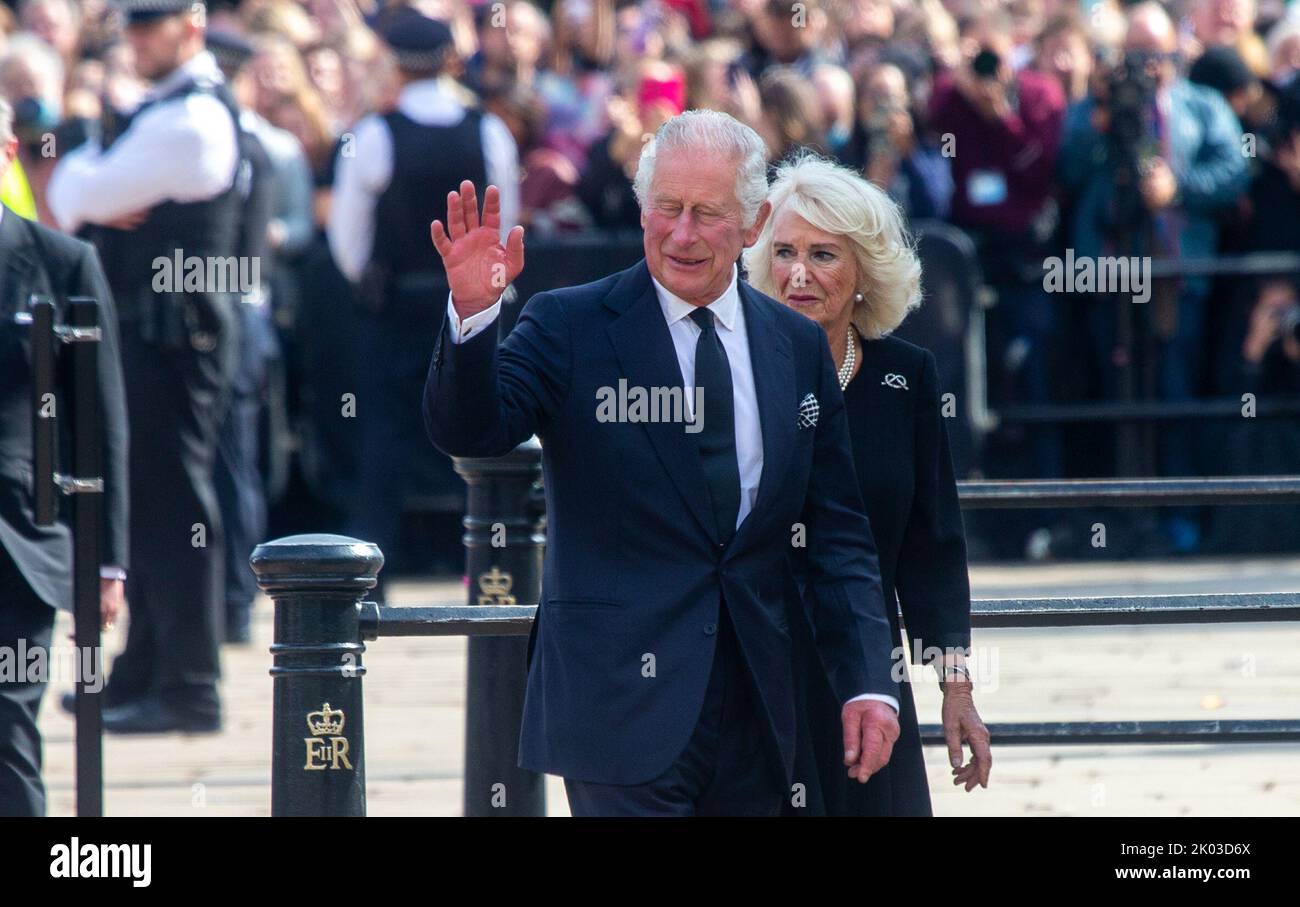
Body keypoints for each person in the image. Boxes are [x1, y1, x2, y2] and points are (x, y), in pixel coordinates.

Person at [424, 108, 902, 817]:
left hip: (759, 712)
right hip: (616, 708)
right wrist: (473, 315)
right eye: (666, 208)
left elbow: (837, 533)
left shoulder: (796, 346)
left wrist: (869, 679)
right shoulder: (569, 324)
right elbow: (473, 428)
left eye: (706, 213)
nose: (681, 233)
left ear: (753, 222)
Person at [743, 152, 990, 815]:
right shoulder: (736, 372)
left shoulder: (905, 378)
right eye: (785, 251)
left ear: (862, 272)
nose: (798, 272)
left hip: (867, 673)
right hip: (753, 670)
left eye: (823, 254)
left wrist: (955, 684)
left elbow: (931, 547)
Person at [47, 0, 249, 733]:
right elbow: (80, 193)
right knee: (151, 499)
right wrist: (97, 176)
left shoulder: (187, 117)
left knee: (176, 503)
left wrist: (95, 174)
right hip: (155, 328)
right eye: (131, 27)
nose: (136, 40)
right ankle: (148, 666)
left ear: (190, 25)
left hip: (177, 330)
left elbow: (71, 195)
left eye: (150, 26)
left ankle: (189, 684)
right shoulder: (163, 110)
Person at [327, 7, 519, 586]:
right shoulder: (488, 128)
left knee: (385, 440)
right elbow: (505, 217)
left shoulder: (373, 134)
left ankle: (368, 580)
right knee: (483, 437)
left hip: (398, 305)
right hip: (474, 308)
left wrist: (373, 281)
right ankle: (497, 573)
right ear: (450, 59)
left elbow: (347, 239)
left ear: (394, 63)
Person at [0, 97, 128, 814]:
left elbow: (101, 420)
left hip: (18, 535)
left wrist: (105, 561)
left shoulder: (61, 261)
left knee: (6, 730)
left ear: (9, 153)